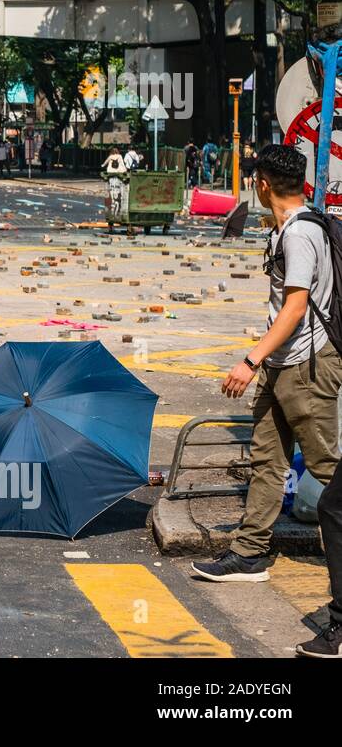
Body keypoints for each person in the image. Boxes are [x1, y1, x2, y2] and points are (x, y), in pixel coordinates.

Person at [196, 145, 342, 658]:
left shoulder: (300, 233)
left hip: (304, 366)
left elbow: (297, 308)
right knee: (266, 457)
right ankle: (249, 553)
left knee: (329, 469)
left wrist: (250, 360)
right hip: (284, 365)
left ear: (262, 184)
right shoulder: (290, 229)